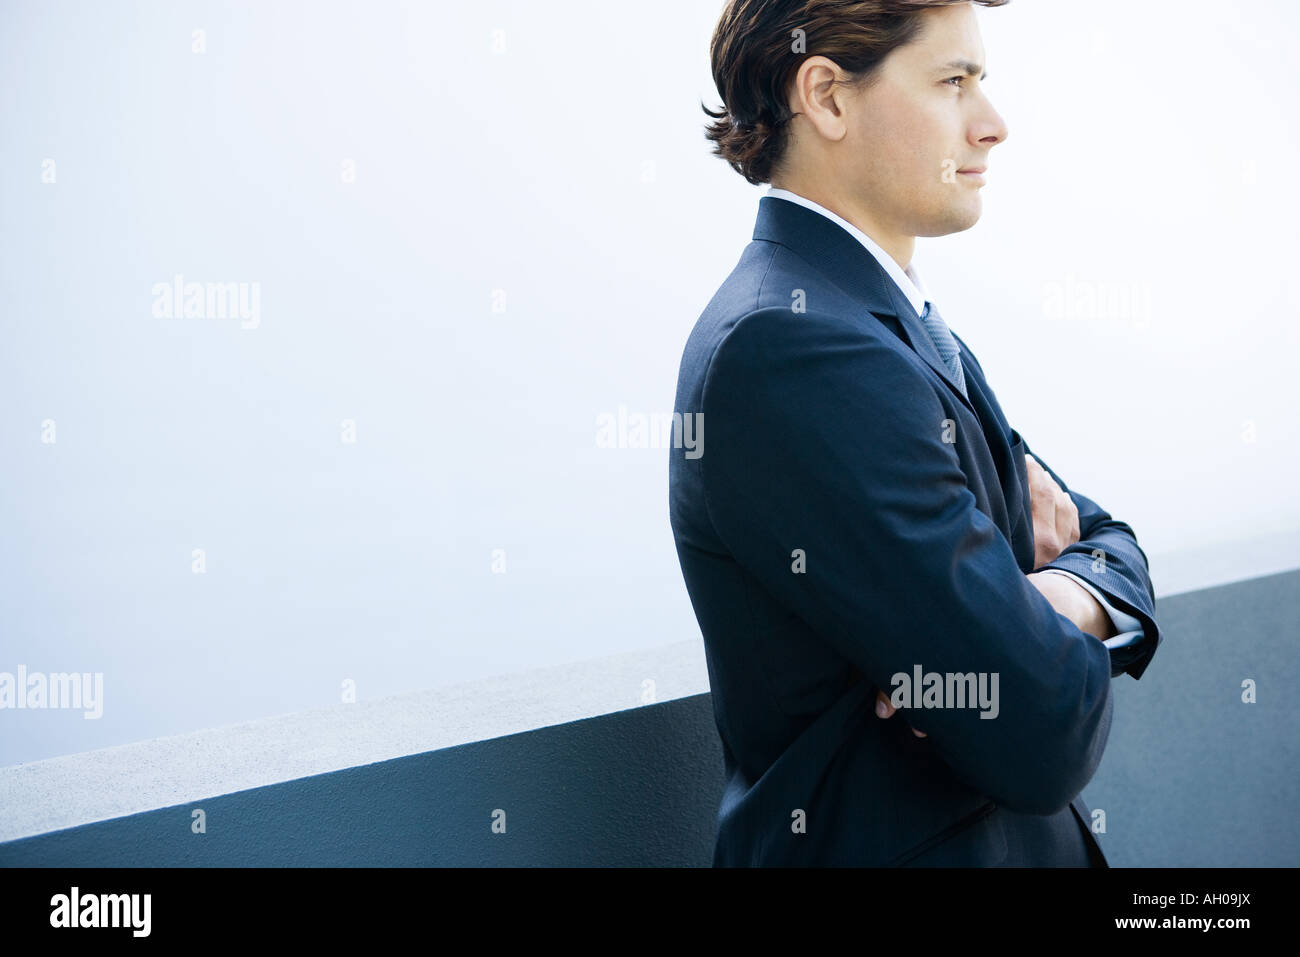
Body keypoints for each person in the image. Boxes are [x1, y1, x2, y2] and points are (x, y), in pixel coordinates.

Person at [668, 0, 1162, 866]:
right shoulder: (794, 347)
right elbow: (1036, 721)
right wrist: (1030, 631)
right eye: (953, 82)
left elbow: (1103, 533)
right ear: (825, 96)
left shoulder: (886, 323)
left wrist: (1062, 598)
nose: (993, 124)